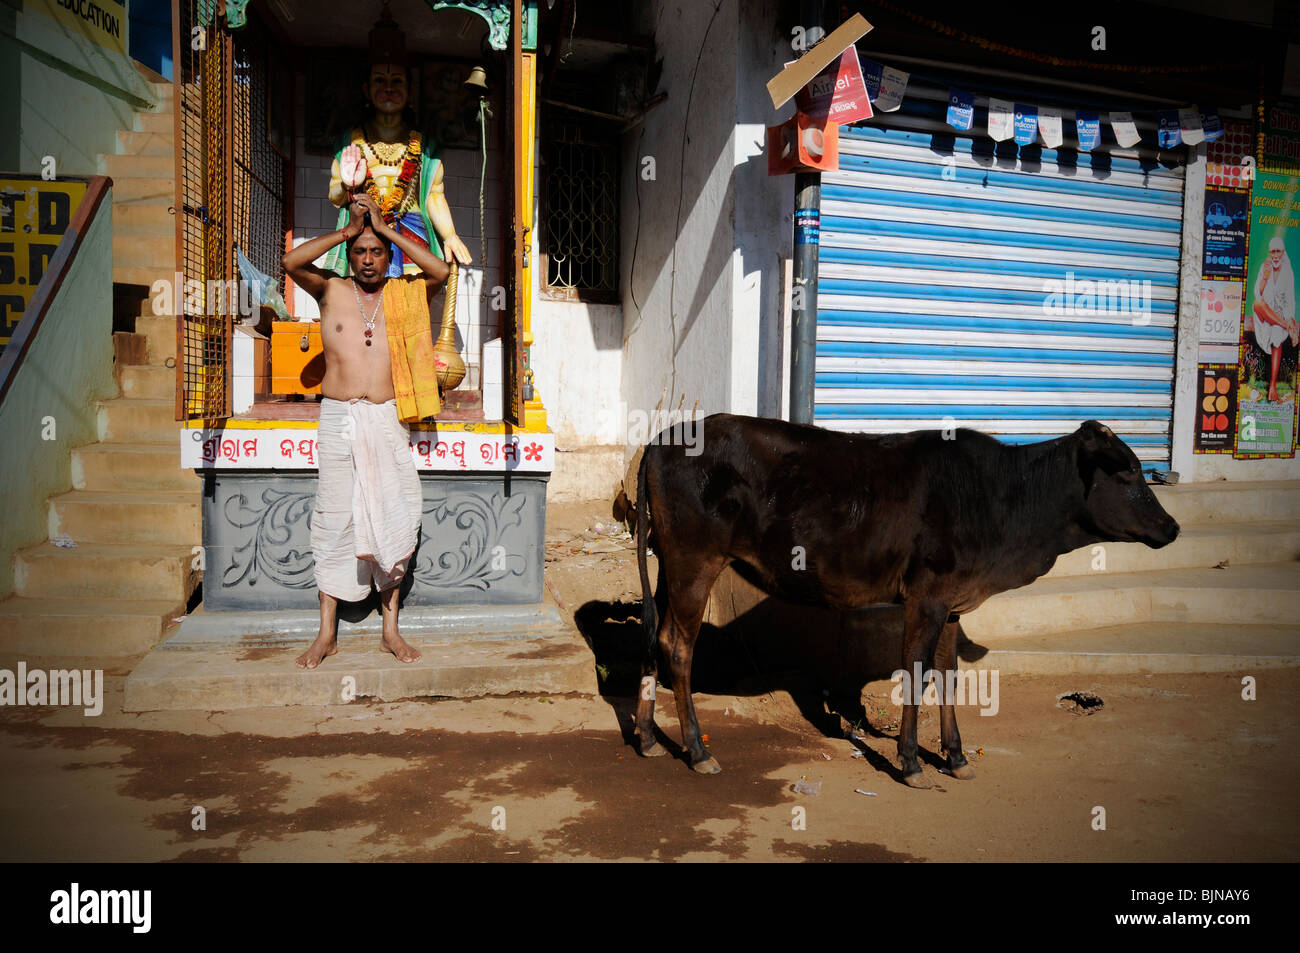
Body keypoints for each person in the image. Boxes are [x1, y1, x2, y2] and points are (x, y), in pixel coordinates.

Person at [282, 192, 450, 669]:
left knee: (392, 516)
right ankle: (326, 634)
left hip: (387, 418)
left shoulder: (404, 295)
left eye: (377, 253)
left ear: (388, 257)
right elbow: (292, 260)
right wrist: (348, 230)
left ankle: (389, 631)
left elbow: (439, 271)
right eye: (362, 252)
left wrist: (386, 227)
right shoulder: (330, 289)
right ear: (351, 256)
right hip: (338, 419)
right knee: (335, 518)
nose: (369, 260)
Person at [323, 2, 472, 279]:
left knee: (410, 304)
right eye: (380, 81)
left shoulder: (423, 147)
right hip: (366, 234)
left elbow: (434, 195)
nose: (388, 89)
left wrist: (450, 235)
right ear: (367, 90)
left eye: (397, 82)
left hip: (412, 232)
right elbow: (334, 197)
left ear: (410, 90)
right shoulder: (351, 142)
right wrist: (347, 184)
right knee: (366, 306)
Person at [1251, 236, 1299, 402]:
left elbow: (1291, 299)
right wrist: (1265, 277)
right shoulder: (1265, 267)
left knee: (1277, 332)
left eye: (1278, 251)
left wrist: (1290, 317)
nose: (1275, 255)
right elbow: (1258, 294)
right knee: (1257, 304)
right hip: (1264, 315)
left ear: (1283, 252)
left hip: (1278, 317)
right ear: (1270, 253)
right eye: (1273, 252)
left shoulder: (1288, 271)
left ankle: (1272, 387)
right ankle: (1287, 326)